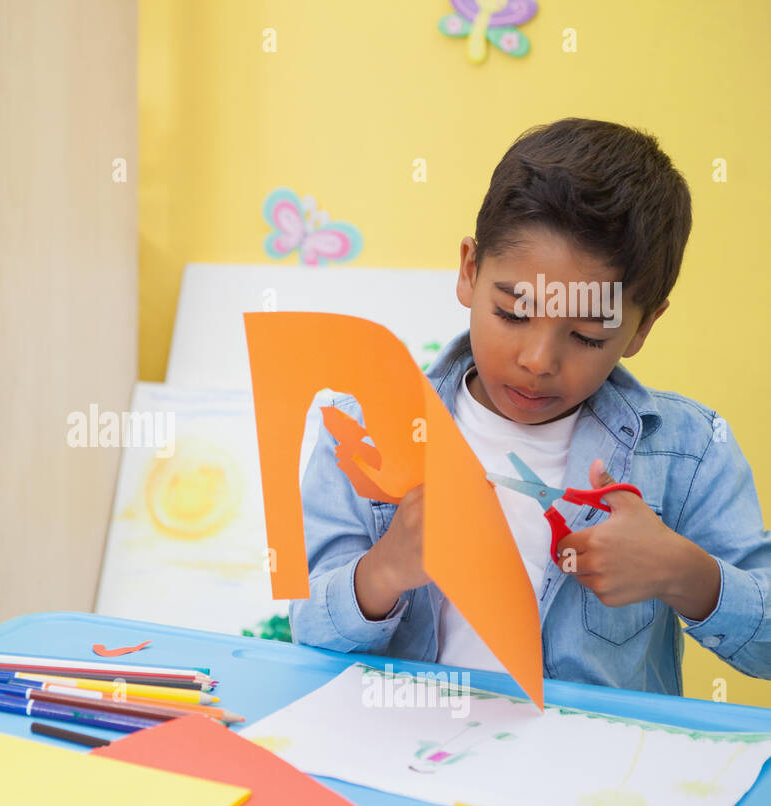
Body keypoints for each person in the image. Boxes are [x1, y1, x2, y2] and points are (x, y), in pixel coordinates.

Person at [291, 117, 771, 694]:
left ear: (643, 328)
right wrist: (385, 570)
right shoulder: (362, 429)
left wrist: (686, 575)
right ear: (470, 271)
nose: (540, 360)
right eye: (514, 314)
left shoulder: (689, 452)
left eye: (589, 337)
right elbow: (309, 632)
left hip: (598, 776)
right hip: (413, 757)